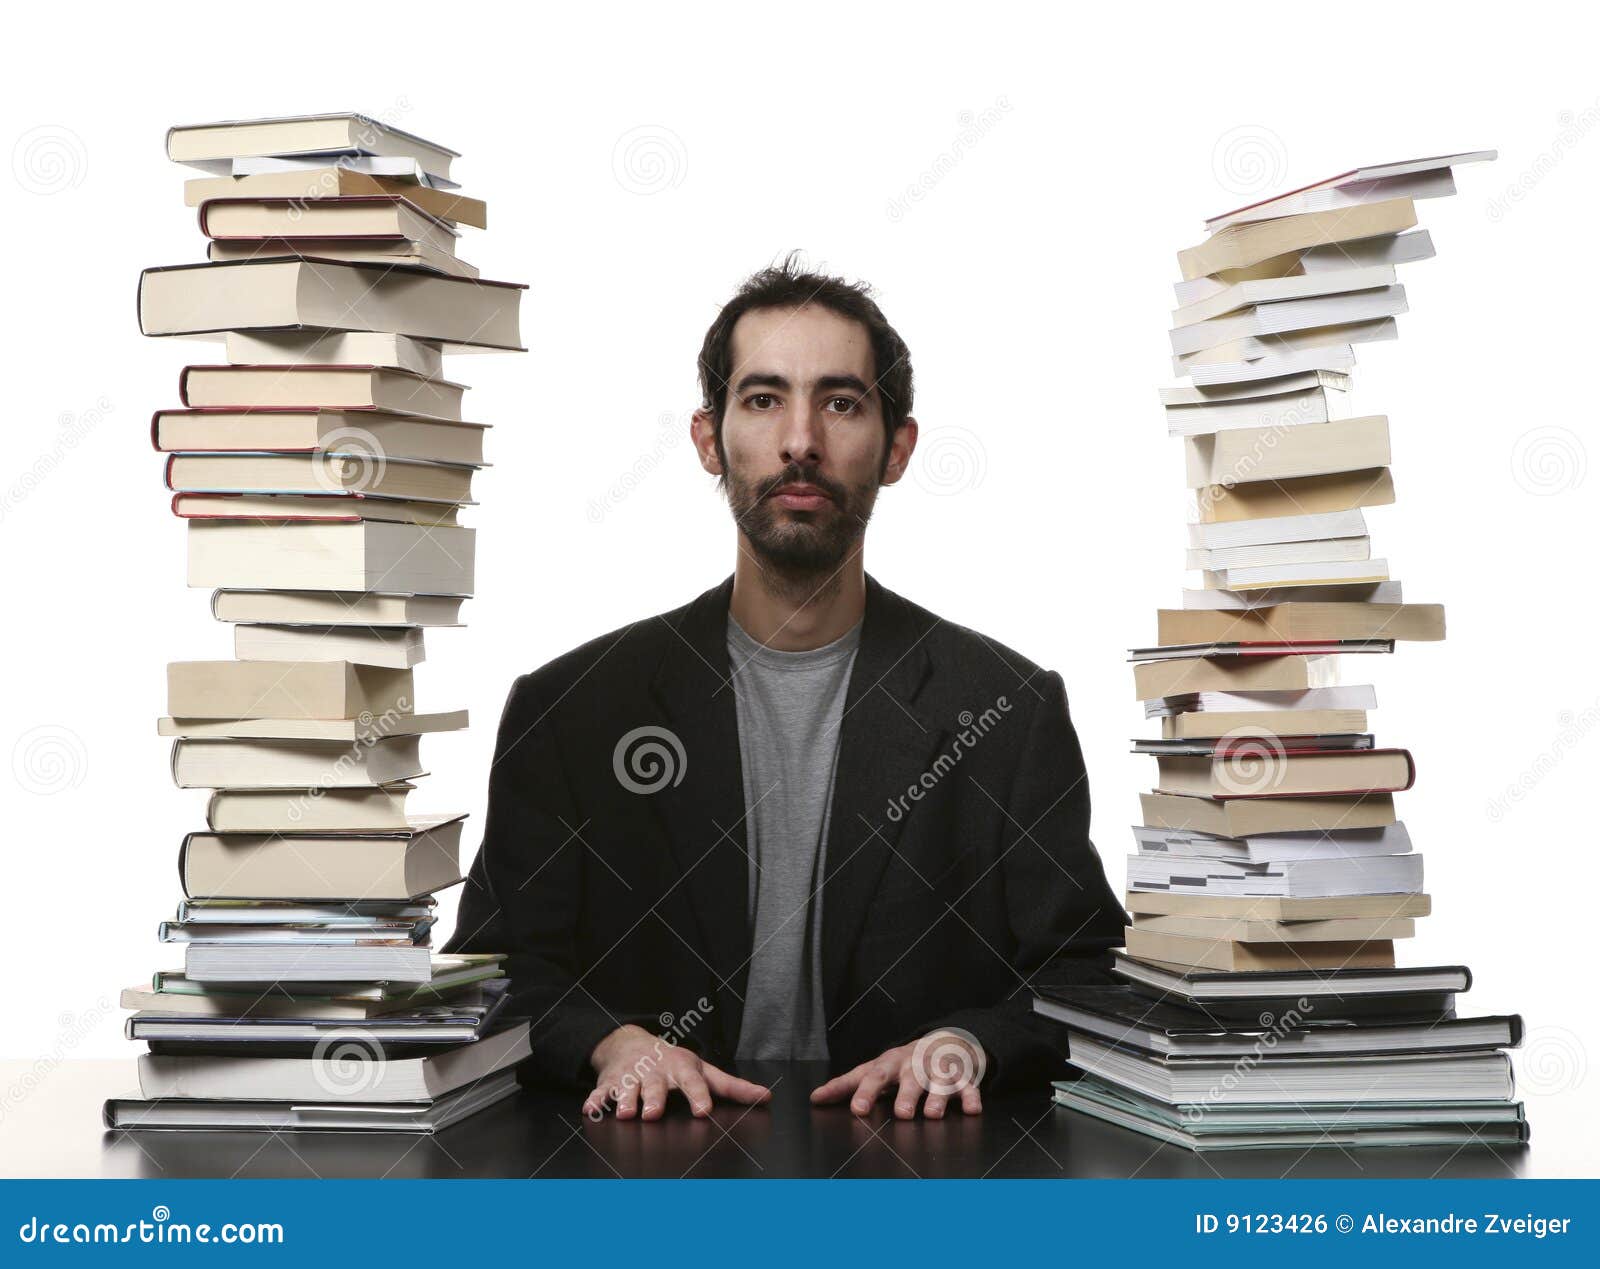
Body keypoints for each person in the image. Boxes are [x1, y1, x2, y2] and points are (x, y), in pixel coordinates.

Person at [448, 255, 1125, 1122]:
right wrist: (609, 1041)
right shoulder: (569, 709)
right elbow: (494, 975)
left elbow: (1084, 974)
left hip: (915, 1177)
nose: (800, 440)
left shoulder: (1007, 708)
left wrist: (970, 1041)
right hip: (642, 1175)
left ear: (897, 449)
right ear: (707, 439)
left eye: (841, 402)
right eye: (763, 399)